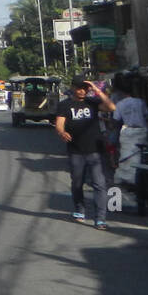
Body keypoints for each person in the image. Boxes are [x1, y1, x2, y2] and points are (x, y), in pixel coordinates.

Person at [54, 79, 109, 229]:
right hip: (76, 151)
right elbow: (59, 124)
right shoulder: (64, 105)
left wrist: (96, 89)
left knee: (99, 184)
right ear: (73, 88)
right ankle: (80, 209)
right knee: (77, 183)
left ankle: (100, 219)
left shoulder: (93, 102)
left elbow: (111, 107)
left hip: (95, 151)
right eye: (79, 88)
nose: (82, 91)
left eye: (85, 88)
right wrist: (62, 132)